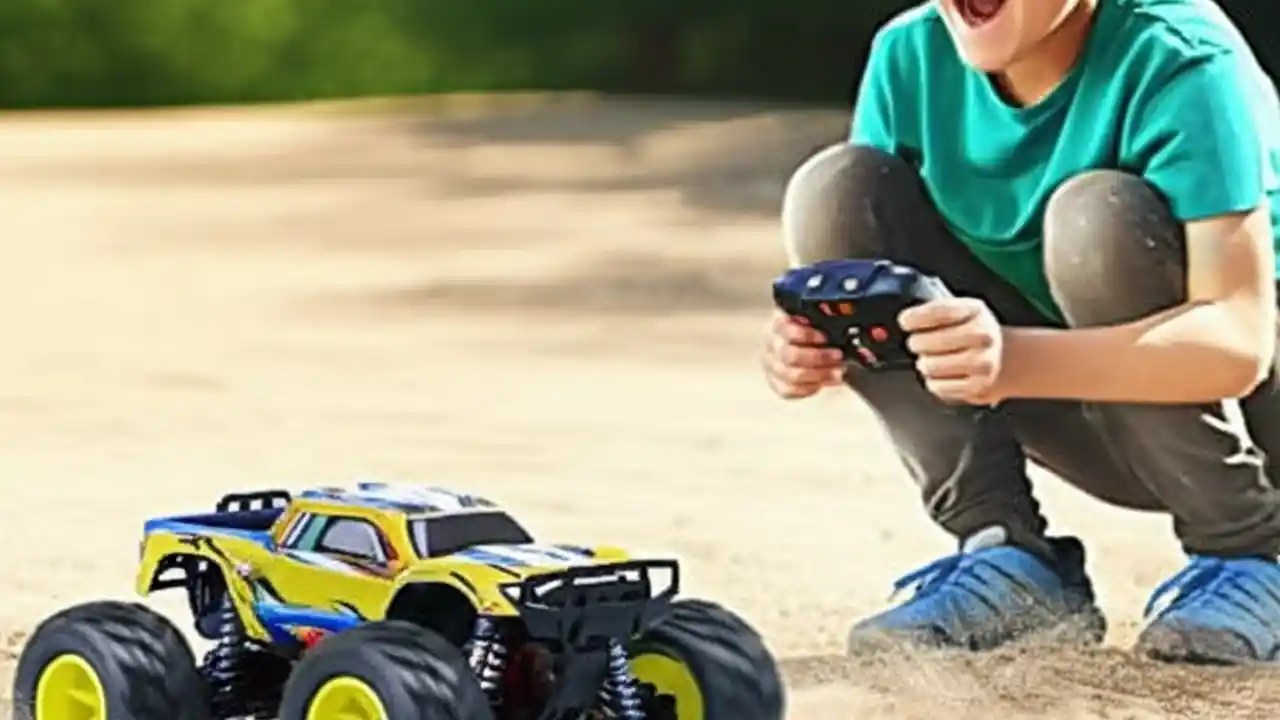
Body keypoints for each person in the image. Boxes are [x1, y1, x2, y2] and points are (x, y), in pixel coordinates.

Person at [762, 0, 1280, 664]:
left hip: (1250, 421)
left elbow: (1239, 342)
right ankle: (1007, 557)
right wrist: (817, 342)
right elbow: (878, 295)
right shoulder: (911, 56)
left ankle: (1252, 554)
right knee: (837, 192)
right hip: (1103, 418)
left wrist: (1011, 359)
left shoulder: (1184, 58)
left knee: (1097, 216)